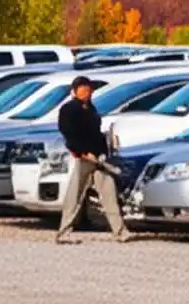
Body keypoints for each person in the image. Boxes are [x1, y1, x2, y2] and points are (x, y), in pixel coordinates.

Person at [54, 76, 132, 244]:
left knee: (109, 192)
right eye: (83, 90)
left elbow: (96, 133)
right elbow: (68, 133)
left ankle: (120, 231)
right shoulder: (69, 109)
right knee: (75, 194)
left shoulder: (90, 108)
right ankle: (64, 232)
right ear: (74, 91)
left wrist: (102, 152)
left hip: (98, 159)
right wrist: (81, 152)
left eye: (89, 90)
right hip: (84, 158)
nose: (87, 93)